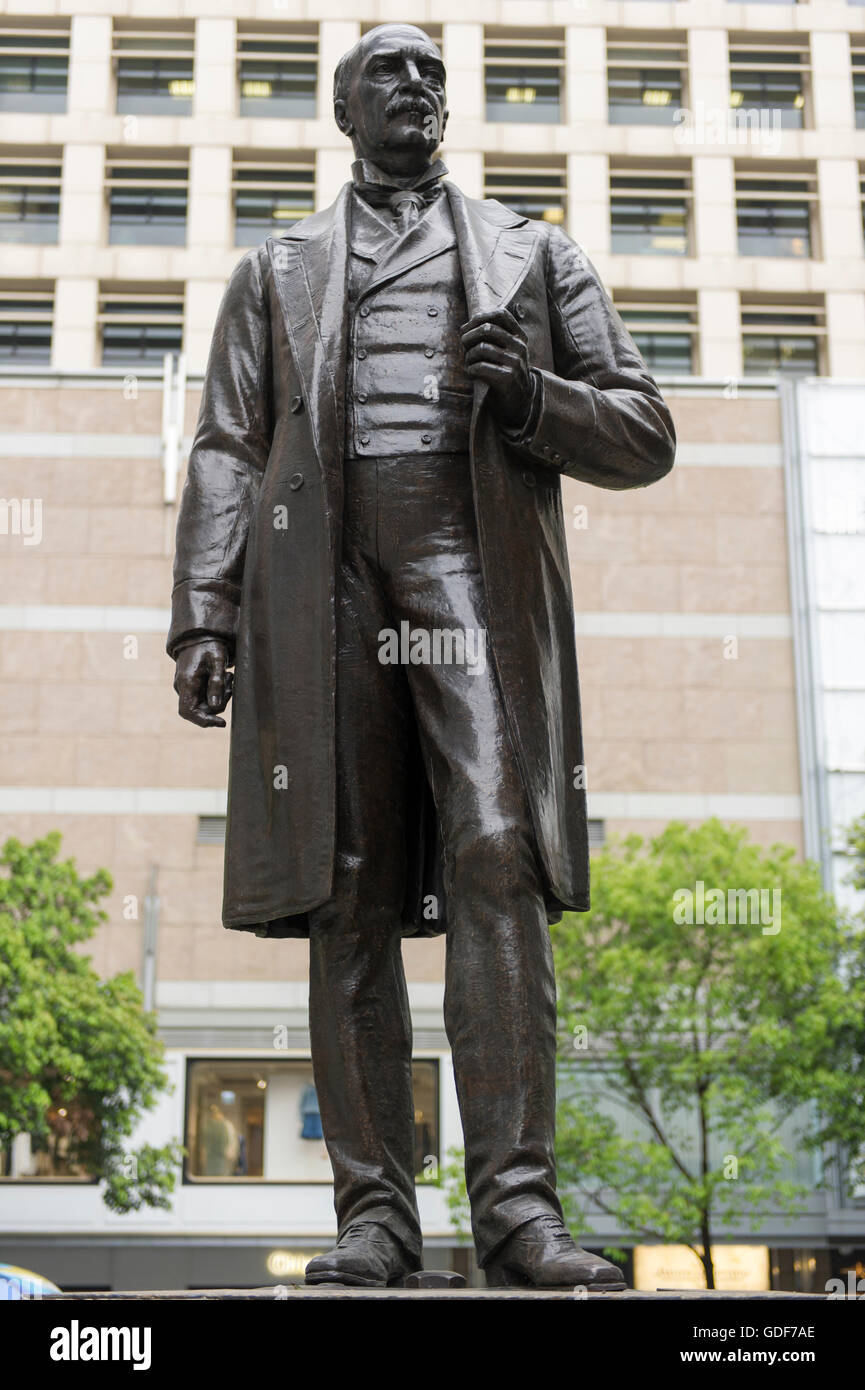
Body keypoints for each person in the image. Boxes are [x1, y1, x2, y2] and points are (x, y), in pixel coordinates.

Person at [169, 23, 675, 1288]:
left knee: (496, 845)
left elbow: (643, 429)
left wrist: (531, 400)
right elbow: (229, 447)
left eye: (433, 74)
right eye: (388, 72)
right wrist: (204, 614)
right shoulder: (275, 270)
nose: (416, 87)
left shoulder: (530, 251)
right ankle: (374, 1217)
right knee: (346, 886)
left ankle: (515, 1209)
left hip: (466, 558)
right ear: (342, 109)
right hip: (322, 577)